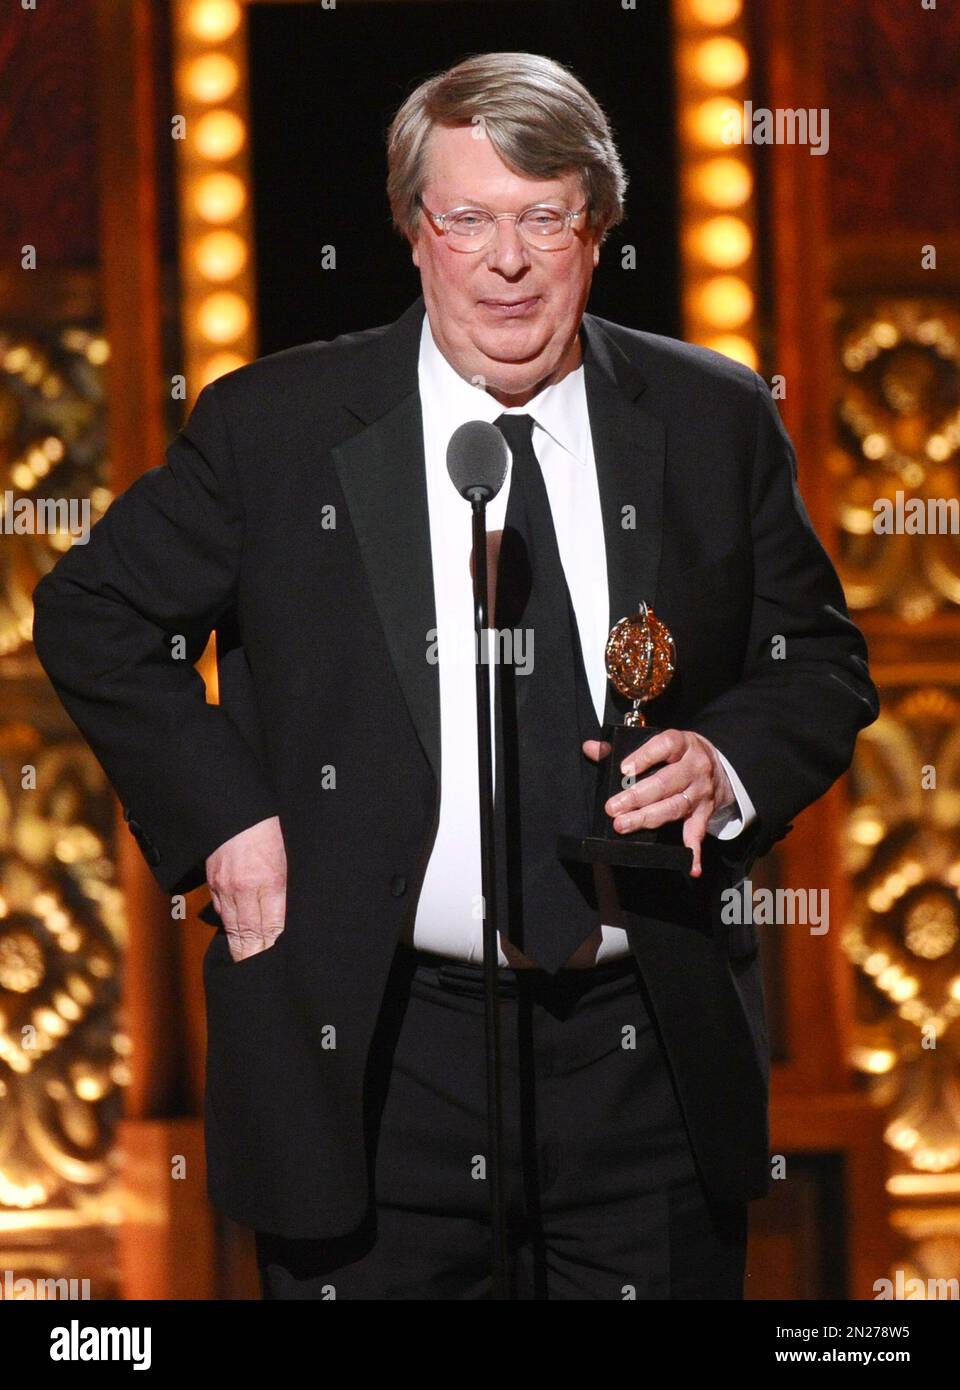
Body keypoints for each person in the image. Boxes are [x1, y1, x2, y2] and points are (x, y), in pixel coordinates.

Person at [31, 51, 879, 1299]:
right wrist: (228, 815)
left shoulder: (711, 419)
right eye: (469, 219)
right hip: (372, 1053)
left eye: (544, 217)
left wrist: (727, 762)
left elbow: (815, 662)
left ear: (597, 230)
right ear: (414, 233)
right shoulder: (279, 428)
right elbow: (91, 610)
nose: (509, 261)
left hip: (642, 1059)